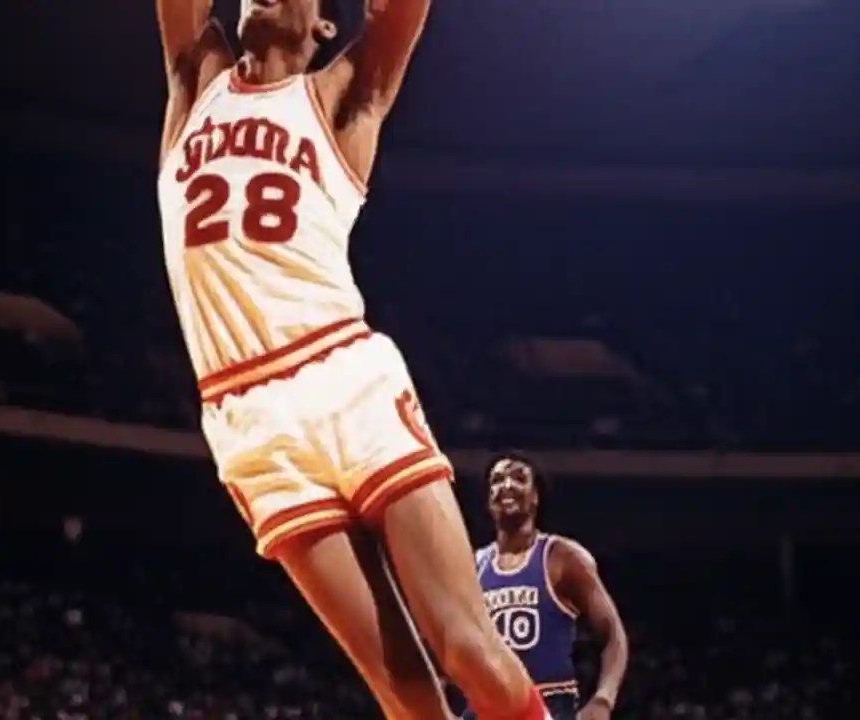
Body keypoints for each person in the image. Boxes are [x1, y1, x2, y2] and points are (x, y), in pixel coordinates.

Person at [155, 2, 548, 718]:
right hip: (249, 422)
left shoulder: (341, 95)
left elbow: (401, 21)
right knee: (407, 700)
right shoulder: (196, 79)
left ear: (325, 25)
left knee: (469, 652)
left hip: (343, 378)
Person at [470, 453, 629, 720]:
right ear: (488, 499)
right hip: (485, 709)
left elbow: (613, 634)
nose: (506, 485)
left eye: (519, 478)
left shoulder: (562, 557)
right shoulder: (474, 566)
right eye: (497, 480)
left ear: (535, 497)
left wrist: (603, 699)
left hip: (548, 707)